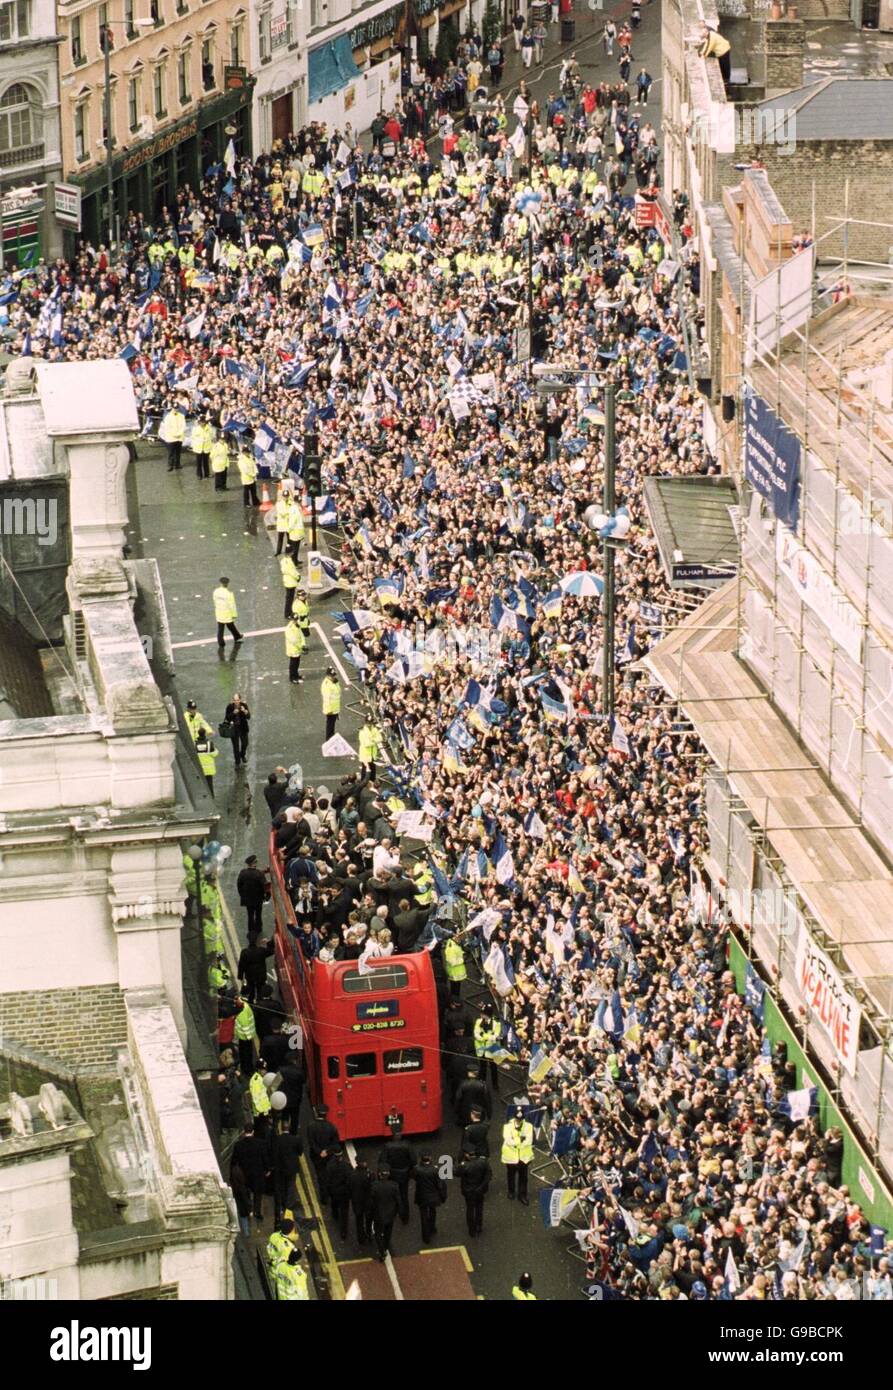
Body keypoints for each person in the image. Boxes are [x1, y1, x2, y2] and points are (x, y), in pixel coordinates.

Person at [231, 1122, 267, 1222]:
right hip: (258, 1173)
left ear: (244, 1132)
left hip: (244, 1173)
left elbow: (234, 1161)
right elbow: (265, 1158)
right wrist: (267, 1169)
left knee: (246, 1192)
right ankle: (257, 1212)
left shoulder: (238, 1145)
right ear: (253, 1132)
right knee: (258, 1193)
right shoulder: (261, 1143)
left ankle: (249, 1210)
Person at [380, 1120, 415, 1224]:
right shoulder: (407, 1145)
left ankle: (395, 1213)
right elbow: (413, 1160)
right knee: (404, 1195)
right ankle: (405, 1217)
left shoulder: (387, 1146)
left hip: (393, 1174)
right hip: (404, 1173)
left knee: (394, 1195)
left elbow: (382, 1161)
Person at [412, 1151, 447, 1244]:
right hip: (433, 1195)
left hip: (422, 1196)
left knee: (423, 1215)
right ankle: (432, 1228)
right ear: (430, 1158)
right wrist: (442, 1196)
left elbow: (414, 1177)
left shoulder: (417, 1169)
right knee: (432, 1211)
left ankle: (425, 1237)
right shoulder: (435, 1169)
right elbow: (440, 1184)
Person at [501, 1106, 534, 1204]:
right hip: (510, 1157)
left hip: (523, 1157)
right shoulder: (507, 1127)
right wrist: (520, 1140)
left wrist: (516, 1142)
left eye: (521, 1119)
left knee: (523, 1178)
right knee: (511, 1175)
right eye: (517, 1119)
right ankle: (511, 1191)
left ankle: (522, 1195)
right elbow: (508, 1141)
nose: (519, 1121)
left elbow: (529, 1141)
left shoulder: (528, 1126)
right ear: (514, 1118)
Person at [307, 1103, 339, 1199]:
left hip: (316, 1156)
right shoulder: (331, 1126)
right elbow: (335, 1142)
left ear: (316, 1113)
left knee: (320, 1175)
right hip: (328, 1156)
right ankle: (329, 1192)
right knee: (328, 1174)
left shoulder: (311, 1127)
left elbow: (311, 1142)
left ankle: (323, 1196)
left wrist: (319, 1152)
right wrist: (327, 1151)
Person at [457, 1148, 491, 1237]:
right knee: (479, 1208)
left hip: (469, 1191)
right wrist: (482, 1187)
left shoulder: (464, 1165)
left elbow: (456, 1173)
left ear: (467, 1155)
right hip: (480, 1190)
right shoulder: (483, 1162)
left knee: (470, 1210)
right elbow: (488, 1176)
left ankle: (472, 1230)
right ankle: (479, 1226)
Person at [370, 1166, 400, 1262]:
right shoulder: (394, 1185)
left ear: (379, 1174)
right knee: (388, 1231)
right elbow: (398, 1201)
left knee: (378, 1232)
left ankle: (381, 1250)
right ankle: (386, 1246)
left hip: (378, 1214)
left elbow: (371, 1201)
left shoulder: (374, 1186)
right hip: (390, 1214)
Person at [324, 1144, 354, 1240]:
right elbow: (350, 1180)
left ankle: (335, 1214)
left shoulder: (329, 1165)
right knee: (344, 1213)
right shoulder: (347, 1166)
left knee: (334, 1203)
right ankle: (344, 1232)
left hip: (334, 1190)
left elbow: (327, 1179)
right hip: (344, 1193)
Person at [237, 854, 267, 936]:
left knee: (250, 915)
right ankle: (258, 929)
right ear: (254, 863)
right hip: (258, 899)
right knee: (258, 914)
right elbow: (264, 886)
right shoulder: (259, 874)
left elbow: (239, 885)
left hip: (247, 899)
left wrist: (242, 895)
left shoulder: (243, 873)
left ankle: (251, 931)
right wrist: (265, 896)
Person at [238, 935, 274, 1003]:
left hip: (250, 975)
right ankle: (260, 1001)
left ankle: (250, 1000)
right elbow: (271, 951)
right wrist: (268, 943)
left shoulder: (244, 952)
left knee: (251, 989)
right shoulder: (261, 950)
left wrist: (240, 976)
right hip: (260, 975)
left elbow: (241, 965)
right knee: (260, 989)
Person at [350, 1158, 374, 1245]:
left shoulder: (352, 1174)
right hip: (368, 1201)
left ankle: (361, 1238)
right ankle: (369, 1234)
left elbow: (350, 1187)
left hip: (357, 1201)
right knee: (369, 1219)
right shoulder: (369, 1174)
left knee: (359, 1220)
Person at [213, 577, 243, 647]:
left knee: (221, 628)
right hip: (227, 613)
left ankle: (221, 642)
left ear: (220, 583)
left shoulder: (216, 591)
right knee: (230, 625)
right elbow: (232, 606)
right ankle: (237, 636)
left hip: (219, 612)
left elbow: (215, 601)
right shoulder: (229, 594)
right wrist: (234, 614)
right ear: (227, 584)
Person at [225, 692, 251, 766]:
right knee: (236, 746)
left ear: (240, 699)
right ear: (232, 700)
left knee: (245, 743)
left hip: (243, 728)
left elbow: (249, 717)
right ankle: (237, 760)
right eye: (235, 700)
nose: (236, 702)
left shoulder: (244, 705)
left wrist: (245, 711)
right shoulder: (230, 707)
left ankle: (242, 755)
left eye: (238, 700)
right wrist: (233, 713)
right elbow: (227, 718)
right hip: (234, 729)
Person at [233, 994, 257, 1074]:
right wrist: (249, 1037)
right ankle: (247, 1069)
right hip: (245, 1036)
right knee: (247, 1053)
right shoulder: (243, 1010)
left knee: (242, 1050)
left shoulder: (239, 1008)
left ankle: (244, 1066)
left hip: (241, 1035)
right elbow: (245, 1025)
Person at [160, 399, 186, 471]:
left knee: (178, 452)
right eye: (174, 408)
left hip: (179, 437)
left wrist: (179, 433)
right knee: (171, 453)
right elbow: (168, 428)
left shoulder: (181, 416)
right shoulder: (168, 417)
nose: (176, 410)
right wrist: (175, 434)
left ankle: (177, 464)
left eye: (177, 408)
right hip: (171, 438)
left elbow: (183, 426)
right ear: (172, 408)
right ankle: (170, 465)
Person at [443, 932, 467, 999]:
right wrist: (462, 959)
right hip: (455, 974)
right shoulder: (452, 947)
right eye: (459, 936)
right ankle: (455, 1001)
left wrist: (463, 953)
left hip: (456, 974)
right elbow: (452, 962)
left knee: (455, 989)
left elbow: (457, 952)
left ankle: (455, 1000)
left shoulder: (453, 943)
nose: (461, 939)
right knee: (455, 990)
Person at [195, 728, 218, 794]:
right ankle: (211, 797)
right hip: (208, 769)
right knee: (210, 784)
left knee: (201, 785)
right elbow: (215, 754)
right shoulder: (209, 744)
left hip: (199, 768)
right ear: (205, 734)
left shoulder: (195, 744)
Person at [280, 550, 301, 621]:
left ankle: (288, 612)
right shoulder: (289, 562)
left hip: (286, 580)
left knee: (288, 598)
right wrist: (298, 577)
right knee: (289, 599)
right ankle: (288, 613)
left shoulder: (283, 560)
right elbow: (293, 572)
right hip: (291, 581)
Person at [321, 668, 341, 740]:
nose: (333, 677)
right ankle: (329, 738)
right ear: (327, 676)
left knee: (332, 724)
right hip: (330, 709)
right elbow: (327, 698)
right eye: (331, 676)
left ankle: (332, 736)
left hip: (335, 707)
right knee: (330, 724)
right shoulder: (326, 685)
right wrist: (329, 710)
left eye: (333, 675)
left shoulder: (335, 681)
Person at [191, 413, 213, 479]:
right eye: (200, 422)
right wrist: (193, 446)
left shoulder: (209, 428)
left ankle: (207, 474)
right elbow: (193, 438)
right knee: (198, 462)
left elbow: (211, 436)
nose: (202, 423)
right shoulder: (195, 429)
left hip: (206, 447)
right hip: (198, 448)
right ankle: (199, 475)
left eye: (203, 422)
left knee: (206, 462)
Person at [285, 615, 306, 684]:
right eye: (295, 619)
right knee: (293, 664)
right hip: (293, 649)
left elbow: (301, 634)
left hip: (298, 648)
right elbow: (293, 640)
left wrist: (303, 644)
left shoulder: (297, 625)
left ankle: (296, 675)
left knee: (297, 663)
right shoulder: (289, 628)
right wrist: (301, 646)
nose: (296, 621)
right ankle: (292, 677)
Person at [275, 483, 292, 556]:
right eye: (284, 496)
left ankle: (288, 550)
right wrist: (288, 513)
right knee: (280, 539)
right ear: (282, 496)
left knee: (289, 539)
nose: (285, 498)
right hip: (281, 525)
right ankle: (278, 551)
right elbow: (282, 513)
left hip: (288, 524)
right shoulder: (279, 504)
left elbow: (291, 512)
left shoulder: (290, 503)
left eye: (287, 496)